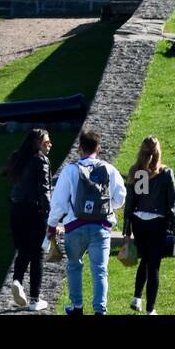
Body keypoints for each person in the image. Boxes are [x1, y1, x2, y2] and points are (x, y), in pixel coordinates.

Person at [47, 129, 126, 316]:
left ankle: (77, 307)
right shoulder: (109, 169)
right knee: (100, 270)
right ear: (99, 148)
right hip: (101, 227)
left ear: (80, 148)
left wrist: (51, 225)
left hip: (75, 226)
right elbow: (120, 198)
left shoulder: (70, 170)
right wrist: (108, 206)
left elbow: (58, 203)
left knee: (74, 266)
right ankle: (100, 310)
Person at [123, 136, 175, 315]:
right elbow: (171, 205)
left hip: (138, 221)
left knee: (145, 258)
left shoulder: (136, 170)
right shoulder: (165, 173)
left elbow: (130, 203)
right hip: (157, 222)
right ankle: (150, 309)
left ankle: (136, 297)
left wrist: (127, 230)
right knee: (154, 265)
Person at [6, 127, 53, 312]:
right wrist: (51, 219)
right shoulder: (41, 161)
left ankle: (17, 280)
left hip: (16, 209)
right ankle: (35, 299)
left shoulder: (19, 158)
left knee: (23, 250)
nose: (50, 145)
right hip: (34, 211)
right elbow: (45, 192)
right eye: (46, 142)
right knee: (37, 254)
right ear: (37, 144)